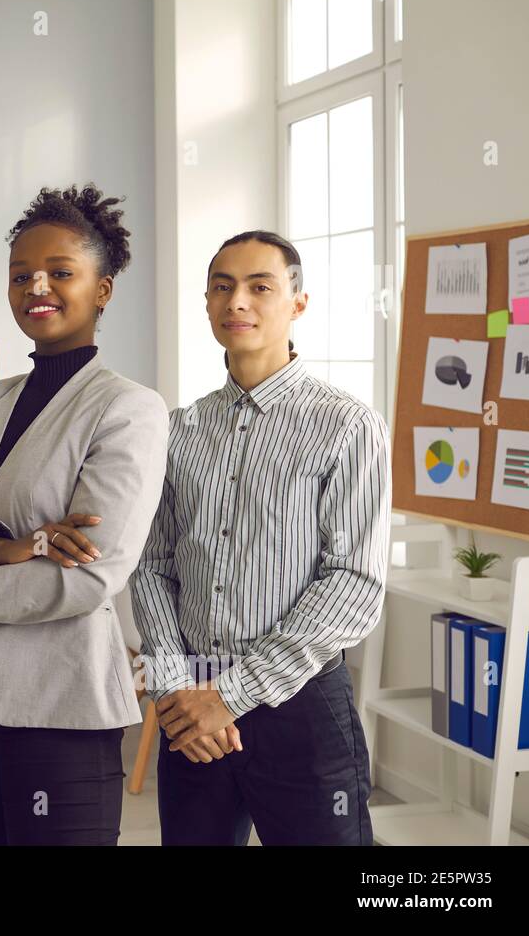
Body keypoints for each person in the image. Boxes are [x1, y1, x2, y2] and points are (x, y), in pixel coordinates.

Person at [0, 185, 168, 845]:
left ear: (102, 289)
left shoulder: (128, 411)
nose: (36, 286)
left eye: (60, 272)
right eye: (22, 275)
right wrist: (10, 545)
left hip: (61, 706)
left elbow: (86, 577)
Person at [130, 229, 390, 846]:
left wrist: (232, 694)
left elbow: (355, 583)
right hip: (189, 709)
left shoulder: (348, 425)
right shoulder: (180, 429)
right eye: (222, 287)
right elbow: (152, 565)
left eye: (259, 287)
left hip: (298, 707)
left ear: (297, 304)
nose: (236, 302)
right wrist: (176, 687)